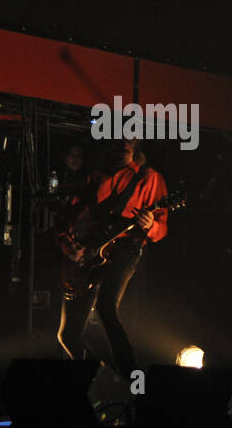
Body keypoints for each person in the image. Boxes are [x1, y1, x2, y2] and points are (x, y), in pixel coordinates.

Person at [56, 137, 169, 375]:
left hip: (125, 248)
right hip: (88, 252)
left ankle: (131, 378)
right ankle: (100, 380)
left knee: (106, 307)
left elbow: (162, 230)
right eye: (115, 143)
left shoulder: (149, 178)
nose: (119, 148)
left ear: (135, 145)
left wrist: (150, 225)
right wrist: (70, 246)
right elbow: (68, 218)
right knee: (67, 334)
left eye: (125, 144)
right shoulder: (95, 177)